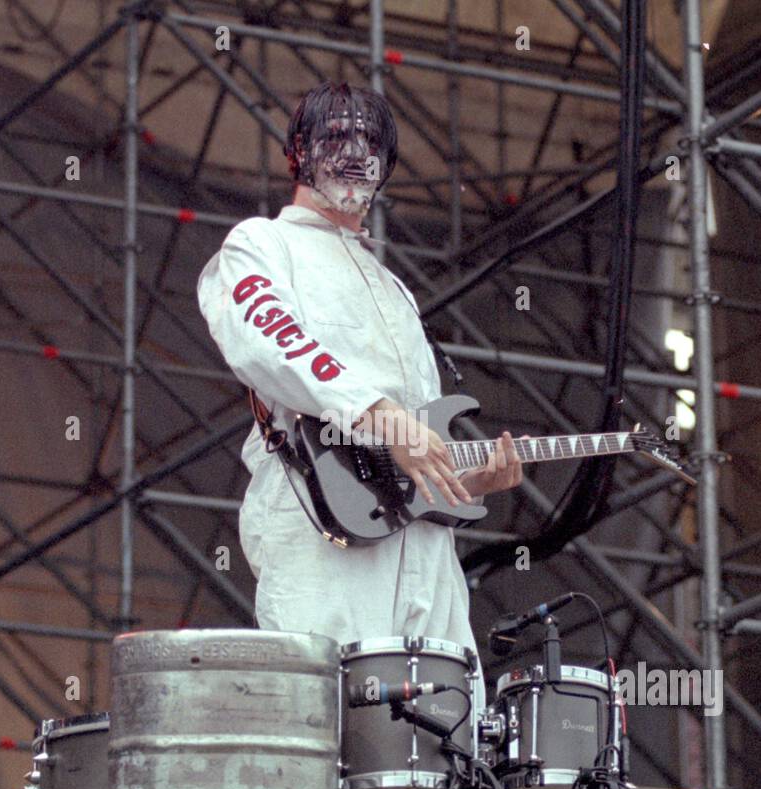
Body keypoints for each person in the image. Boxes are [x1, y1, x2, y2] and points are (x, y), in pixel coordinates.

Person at [196, 81, 526, 656]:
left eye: (370, 140)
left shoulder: (392, 284)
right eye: (336, 136)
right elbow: (268, 343)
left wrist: (465, 482)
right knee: (333, 719)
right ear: (298, 151)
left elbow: (406, 457)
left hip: (425, 557)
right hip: (323, 537)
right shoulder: (261, 243)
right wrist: (392, 423)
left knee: (447, 727)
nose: (355, 152)